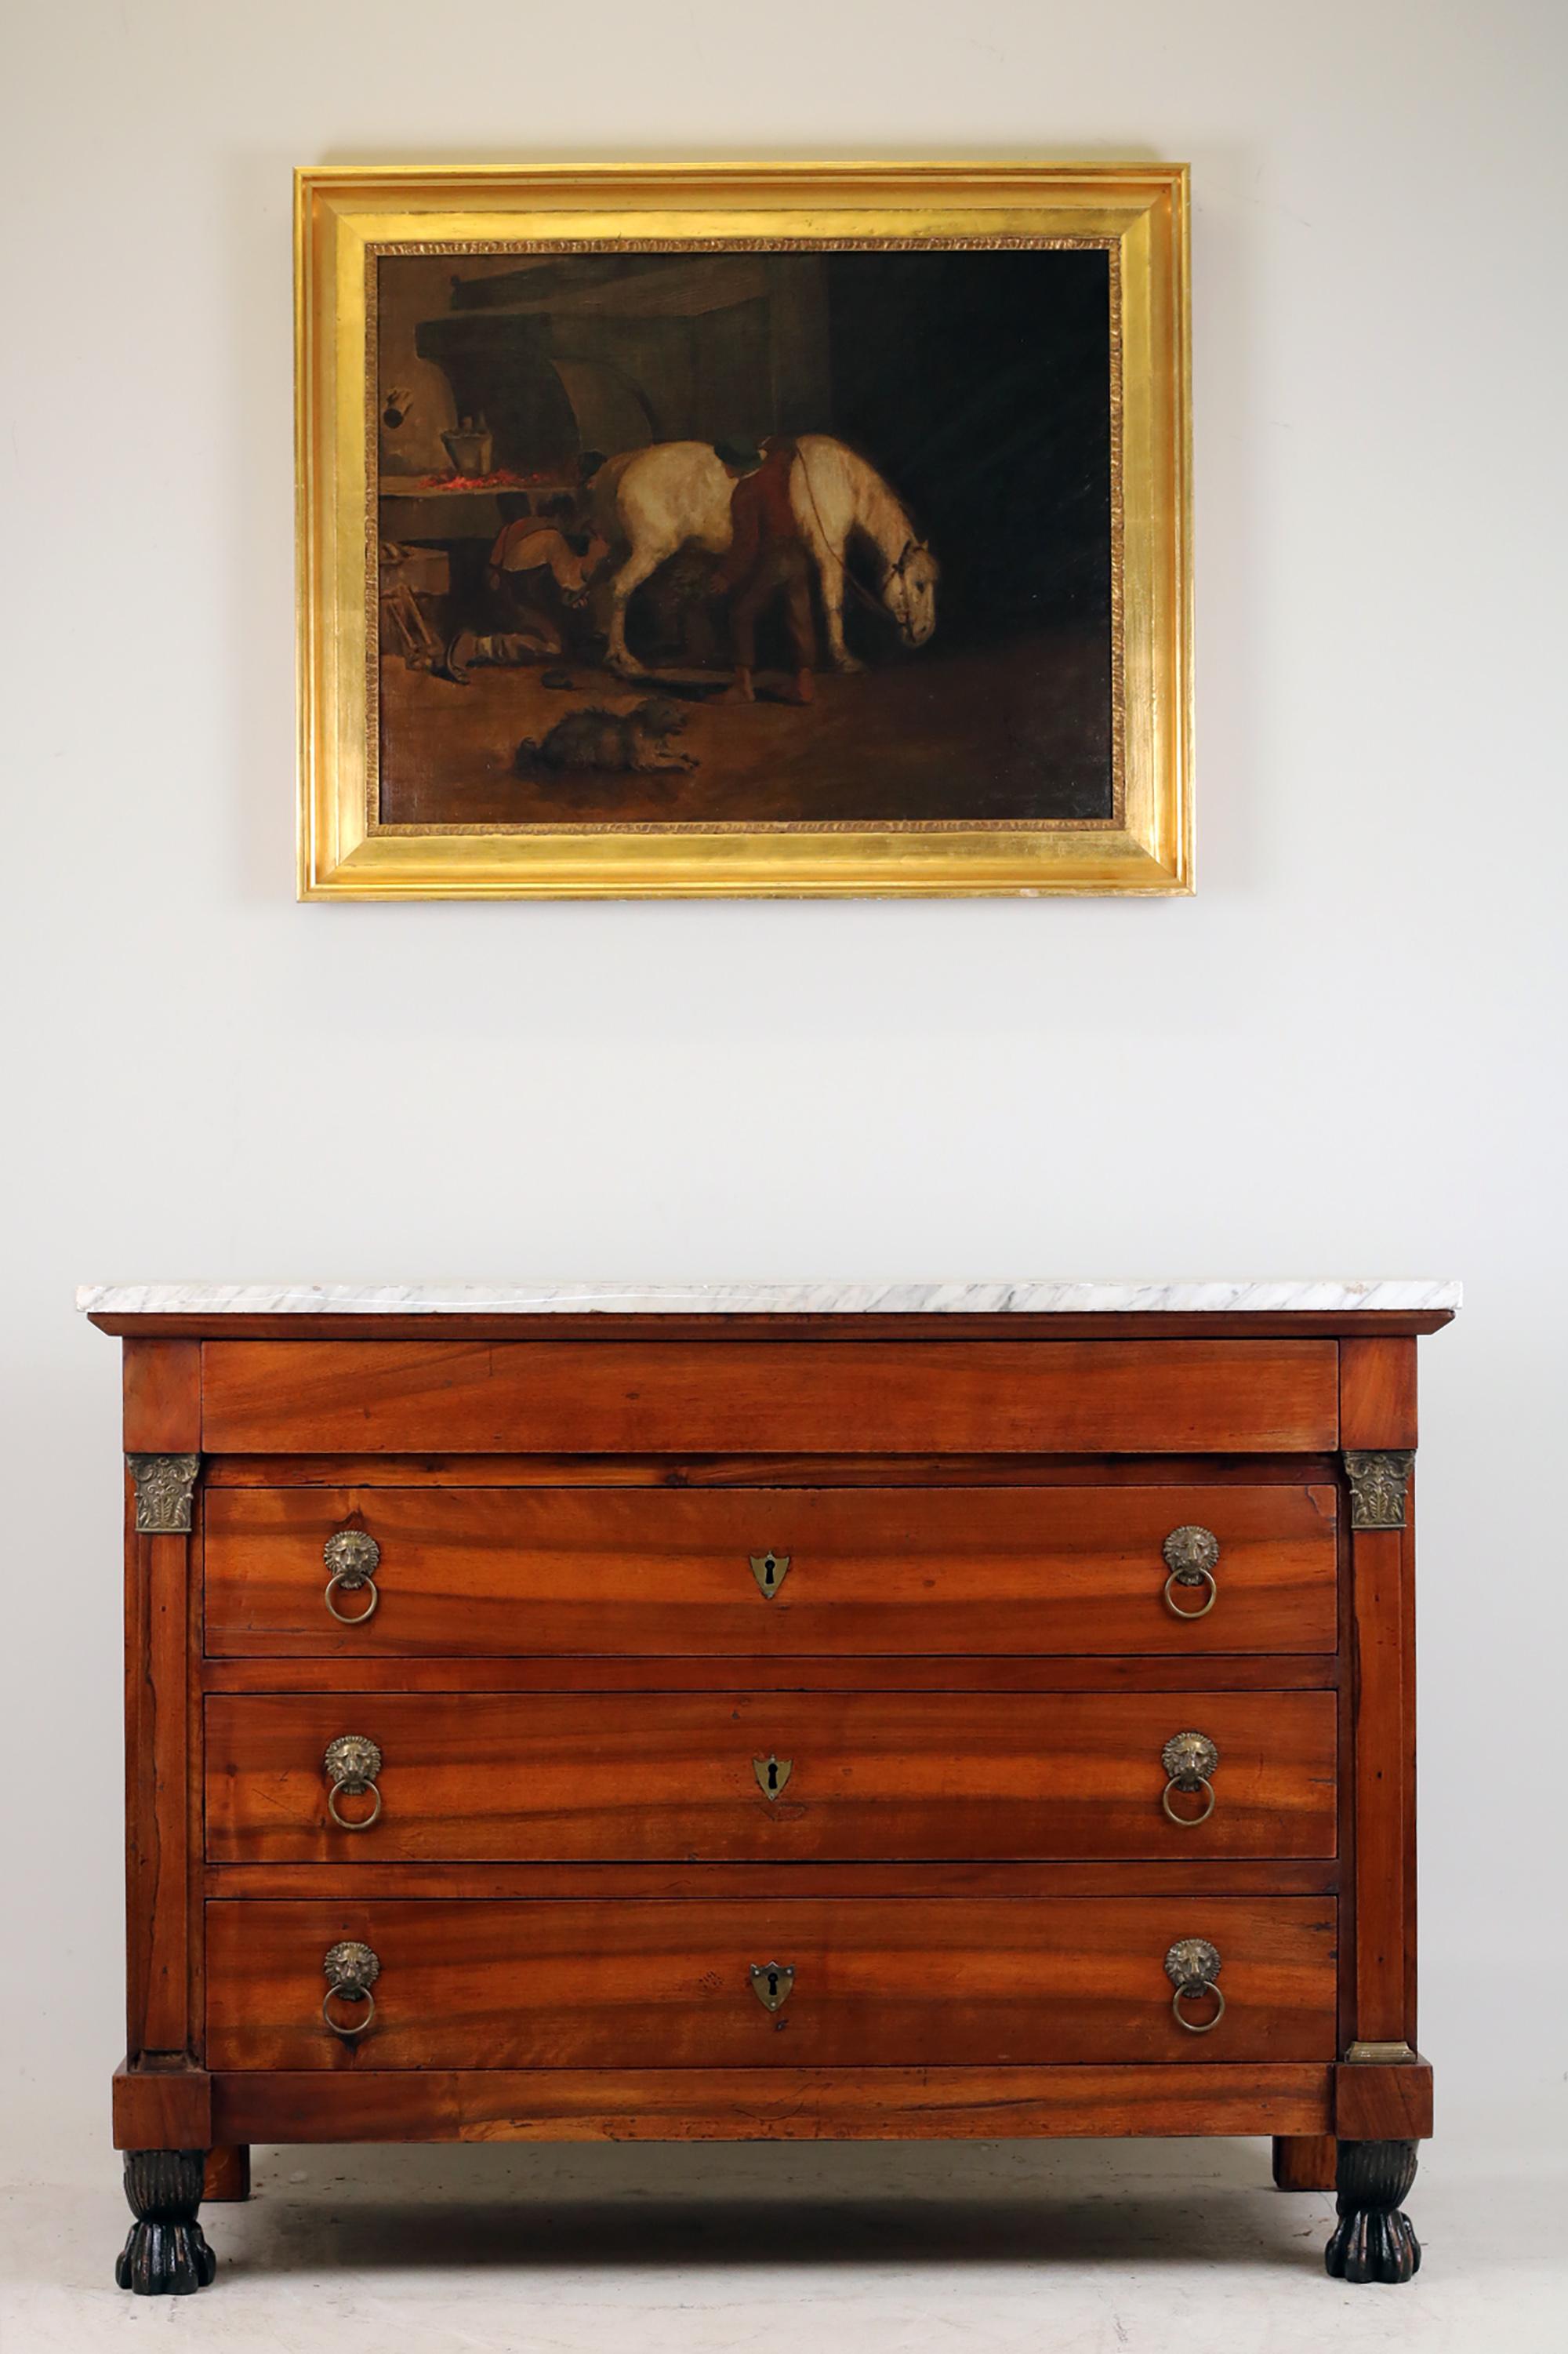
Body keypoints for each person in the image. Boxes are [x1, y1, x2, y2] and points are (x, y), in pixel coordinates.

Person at [713, 434, 815, 705]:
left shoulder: (744, 493)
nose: (723, 468)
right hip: (797, 557)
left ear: (737, 465)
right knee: (800, 616)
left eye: (726, 463)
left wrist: (726, 575)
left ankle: (743, 688)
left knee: (741, 614)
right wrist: (772, 442)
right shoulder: (775, 472)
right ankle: (804, 688)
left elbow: (747, 545)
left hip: (775, 562)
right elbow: (783, 451)